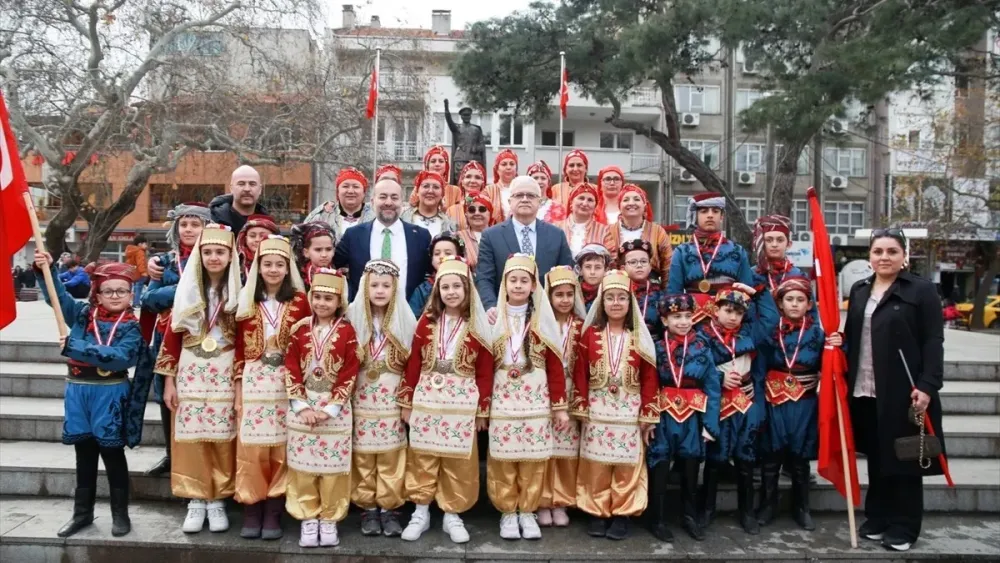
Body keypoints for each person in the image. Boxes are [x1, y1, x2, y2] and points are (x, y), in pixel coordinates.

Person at [844, 228, 946, 552]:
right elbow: (852, 336)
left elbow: (933, 341)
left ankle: (904, 525)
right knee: (876, 456)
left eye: (891, 251)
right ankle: (878, 516)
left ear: (904, 256)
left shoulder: (922, 290)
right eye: (878, 251)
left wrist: (928, 385)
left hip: (905, 390)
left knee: (904, 457)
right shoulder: (860, 290)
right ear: (869, 256)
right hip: (864, 388)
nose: (884, 257)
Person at [33, 254, 144, 538]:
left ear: (131, 294)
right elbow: (57, 299)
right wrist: (43, 270)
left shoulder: (132, 326)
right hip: (78, 391)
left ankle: (121, 514)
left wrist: (76, 347)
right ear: (97, 294)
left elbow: (120, 358)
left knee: (112, 453)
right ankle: (82, 514)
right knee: (83, 453)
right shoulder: (83, 315)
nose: (115, 295)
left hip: (111, 394)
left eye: (121, 290)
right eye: (108, 291)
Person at [395, 257, 493, 544]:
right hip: (428, 397)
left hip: (462, 403)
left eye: (457, 287)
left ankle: (452, 513)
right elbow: (413, 363)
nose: (451, 292)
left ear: (467, 289)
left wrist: (482, 410)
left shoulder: (477, 325)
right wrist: (406, 401)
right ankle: (421, 511)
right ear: (437, 291)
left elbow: (485, 371)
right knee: (423, 455)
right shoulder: (426, 322)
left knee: (457, 459)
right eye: (445, 287)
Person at [155, 224, 242, 534]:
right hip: (191, 369)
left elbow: (245, 339)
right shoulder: (188, 289)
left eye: (220, 252)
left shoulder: (240, 292)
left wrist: (239, 382)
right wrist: (169, 379)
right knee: (191, 437)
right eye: (207, 252)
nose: (214, 257)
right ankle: (195, 499)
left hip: (224, 368)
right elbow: (172, 335)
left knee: (221, 435)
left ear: (230, 256)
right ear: (199, 254)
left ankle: (217, 498)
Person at [572, 269, 659, 541]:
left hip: (629, 408)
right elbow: (580, 373)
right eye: (610, 298)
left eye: (622, 298)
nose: (616, 303)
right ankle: (597, 511)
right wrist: (581, 404)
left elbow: (649, 376)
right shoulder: (590, 335)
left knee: (626, 463)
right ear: (601, 302)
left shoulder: (640, 336)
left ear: (630, 302)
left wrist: (648, 412)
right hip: (597, 408)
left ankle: (622, 513)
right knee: (596, 463)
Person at [486, 254, 569, 540]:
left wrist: (559, 407)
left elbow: (556, 365)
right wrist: (483, 406)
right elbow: (484, 367)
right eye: (513, 280)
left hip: (536, 393)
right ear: (504, 283)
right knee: (503, 457)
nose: (519, 285)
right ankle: (508, 512)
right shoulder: (493, 318)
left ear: (534, 285)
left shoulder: (542, 319)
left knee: (534, 458)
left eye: (525, 280)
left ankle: (528, 510)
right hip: (502, 393)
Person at [233, 235, 310, 540]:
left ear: (288, 266)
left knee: (282, 446)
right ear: (258, 266)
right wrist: (238, 390)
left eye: (280, 264)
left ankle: (274, 509)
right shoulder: (246, 300)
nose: (274, 269)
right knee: (252, 447)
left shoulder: (301, 302)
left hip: (286, 382)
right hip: (253, 381)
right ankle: (252, 507)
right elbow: (239, 348)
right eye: (268, 264)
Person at [283, 269, 359, 548]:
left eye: (329, 298)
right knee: (302, 467)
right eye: (317, 297)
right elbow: (290, 366)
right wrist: (301, 406)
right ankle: (307, 516)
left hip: (334, 409)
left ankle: (330, 517)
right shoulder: (299, 328)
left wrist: (330, 408)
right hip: (302, 406)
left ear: (339, 301)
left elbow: (350, 371)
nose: (322, 303)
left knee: (333, 469)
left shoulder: (348, 331)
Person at [140, 202, 213, 477]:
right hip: (166, 336)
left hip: (201, 338)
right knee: (165, 396)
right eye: (184, 224)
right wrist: (185, 291)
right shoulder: (164, 262)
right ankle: (171, 455)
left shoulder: (215, 257)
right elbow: (148, 299)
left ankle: (197, 454)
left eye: (195, 224)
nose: (189, 229)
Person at [345, 260, 417, 538]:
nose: (379, 290)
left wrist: (407, 401)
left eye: (386, 285)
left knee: (391, 453)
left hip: (391, 394)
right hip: (362, 394)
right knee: (363, 453)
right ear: (364, 287)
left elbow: (413, 365)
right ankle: (368, 508)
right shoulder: (352, 316)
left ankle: (389, 508)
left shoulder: (405, 319)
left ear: (395, 289)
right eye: (374, 285)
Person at [647, 293, 720, 543]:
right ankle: (656, 518)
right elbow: (648, 384)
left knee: (690, 466)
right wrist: (648, 417)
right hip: (663, 414)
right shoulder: (655, 347)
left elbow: (712, 385)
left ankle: (689, 516)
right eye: (676, 317)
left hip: (692, 417)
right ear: (665, 320)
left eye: (688, 316)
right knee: (659, 465)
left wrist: (710, 425)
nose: (683, 321)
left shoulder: (702, 347)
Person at [757, 276, 827, 532]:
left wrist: (838, 347)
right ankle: (767, 504)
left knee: (799, 458)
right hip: (774, 400)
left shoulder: (819, 335)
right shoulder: (769, 332)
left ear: (809, 304)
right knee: (771, 457)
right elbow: (759, 367)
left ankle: (802, 507)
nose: (795, 304)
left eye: (801, 300)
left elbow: (830, 367)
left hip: (804, 404)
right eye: (789, 300)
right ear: (780, 303)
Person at [696, 285, 763, 535]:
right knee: (715, 458)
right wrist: (718, 378)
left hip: (745, 402)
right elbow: (695, 364)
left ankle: (747, 512)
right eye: (728, 310)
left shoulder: (748, 334)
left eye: (738, 312)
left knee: (746, 457)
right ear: (716, 309)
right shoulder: (702, 336)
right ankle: (707, 509)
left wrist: (755, 295)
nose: (733, 316)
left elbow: (767, 318)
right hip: (719, 404)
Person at [475, 175, 575, 315]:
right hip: (504, 315)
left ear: (540, 202)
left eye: (531, 195)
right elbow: (484, 277)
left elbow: (566, 276)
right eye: (519, 195)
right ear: (510, 201)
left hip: (546, 315)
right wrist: (490, 306)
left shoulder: (556, 235)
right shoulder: (491, 236)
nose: (525, 199)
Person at [538, 265, 587, 528]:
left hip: (571, 392)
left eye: (570, 294)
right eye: (559, 294)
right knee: (545, 450)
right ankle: (542, 501)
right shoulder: (540, 324)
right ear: (549, 296)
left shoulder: (582, 326)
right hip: (542, 392)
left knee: (567, 451)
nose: (565, 300)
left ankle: (563, 500)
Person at [333, 179, 433, 301]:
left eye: (394, 198)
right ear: (372, 201)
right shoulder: (354, 235)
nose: (388, 202)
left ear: (402, 202)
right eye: (383, 197)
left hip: (409, 315)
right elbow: (331, 265)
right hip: (363, 315)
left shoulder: (421, 236)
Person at [668, 192, 754, 322]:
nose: (710, 215)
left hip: (727, 323)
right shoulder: (682, 251)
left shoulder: (737, 251)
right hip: (692, 323)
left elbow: (746, 294)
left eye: (715, 211)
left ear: (722, 216)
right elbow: (674, 293)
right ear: (696, 216)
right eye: (703, 211)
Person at [608, 184, 672, 284]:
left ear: (644, 206)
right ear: (619, 206)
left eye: (637, 199)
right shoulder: (608, 231)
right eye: (626, 200)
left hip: (650, 290)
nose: (631, 203)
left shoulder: (658, 231)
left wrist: (666, 294)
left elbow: (667, 266)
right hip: (616, 288)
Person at [304, 167, 376, 237]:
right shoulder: (322, 215)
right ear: (338, 191)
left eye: (356, 186)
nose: (350, 191)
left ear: (364, 192)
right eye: (345, 186)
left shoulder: (375, 215)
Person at [408, 232, 465, 317]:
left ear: (459, 256)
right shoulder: (423, 289)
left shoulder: (467, 284)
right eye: (437, 254)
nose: (441, 257)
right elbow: (411, 317)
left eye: (448, 253)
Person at [620, 239, 663, 338]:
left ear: (650, 267)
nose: (639, 265)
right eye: (633, 262)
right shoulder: (618, 290)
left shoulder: (659, 294)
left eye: (643, 261)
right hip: (624, 343)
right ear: (623, 268)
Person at [557, 183, 614, 257]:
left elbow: (612, 259)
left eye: (590, 200)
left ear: (595, 207)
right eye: (581, 198)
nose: (585, 203)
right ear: (571, 203)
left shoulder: (604, 231)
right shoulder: (556, 228)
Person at [210, 165, 268, 235]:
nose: (247, 189)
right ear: (231, 188)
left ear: (260, 189)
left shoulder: (267, 225)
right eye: (241, 184)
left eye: (252, 184)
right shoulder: (212, 221)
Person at [400, 170, 458, 238]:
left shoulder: (450, 224)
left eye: (436, 187)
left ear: (442, 194)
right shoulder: (402, 218)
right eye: (426, 186)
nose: (430, 191)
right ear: (417, 192)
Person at [444, 100, 487, 183]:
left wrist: (476, 148)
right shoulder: (457, 128)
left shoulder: (476, 129)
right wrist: (446, 107)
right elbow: (449, 120)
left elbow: (482, 145)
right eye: (464, 115)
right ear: (461, 116)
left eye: (468, 115)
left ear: (470, 116)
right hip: (460, 159)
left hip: (474, 159)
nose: (466, 117)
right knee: (459, 181)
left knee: (473, 182)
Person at [290, 222, 337, 290]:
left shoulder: (339, 277)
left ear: (333, 251)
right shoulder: (297, 277)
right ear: (306, 253)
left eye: (328, 249)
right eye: (318, 250)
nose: (324, 255)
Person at [454, 193, 495, 271]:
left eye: (482, 209)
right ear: (466, 215)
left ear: (490, 213)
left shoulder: (499, 235)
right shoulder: (458, 237)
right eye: (471, 210)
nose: (477, 213)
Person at [445, 161, 490, 229]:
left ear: (482, 182)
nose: (472, 181)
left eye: (477, 177)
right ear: (462, 182)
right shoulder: (452, 210)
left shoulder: (489, 208)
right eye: (468, 177)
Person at [236, 214, 281, 282]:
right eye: (252, 236)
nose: (257, 239)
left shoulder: (283, 260)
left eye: (262, 236)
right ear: (245, 239)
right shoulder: (238, 261)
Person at [482, 149, 519, 220]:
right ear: (497, 169)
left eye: (512, 164)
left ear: (516, 168)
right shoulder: (488, 191)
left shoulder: (523, 189)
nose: (508, 167)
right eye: (504, 164)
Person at [575, 244, 613, 311]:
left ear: (606, 270)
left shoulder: (611, 291)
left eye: (598, 267)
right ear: (580, 270)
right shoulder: (574, 292)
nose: (592, 272)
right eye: (588, 267)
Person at [124, 234, 149, 307]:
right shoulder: (140, 252)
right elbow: (140, 263)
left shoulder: (131, 251)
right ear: (140, 244)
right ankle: (136, 303)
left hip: (132, 273)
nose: (146, 245)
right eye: (145, 243)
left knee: (132, 288)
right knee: (138, 288)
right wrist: (143, 272)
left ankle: (129, 302)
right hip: (139, 274)